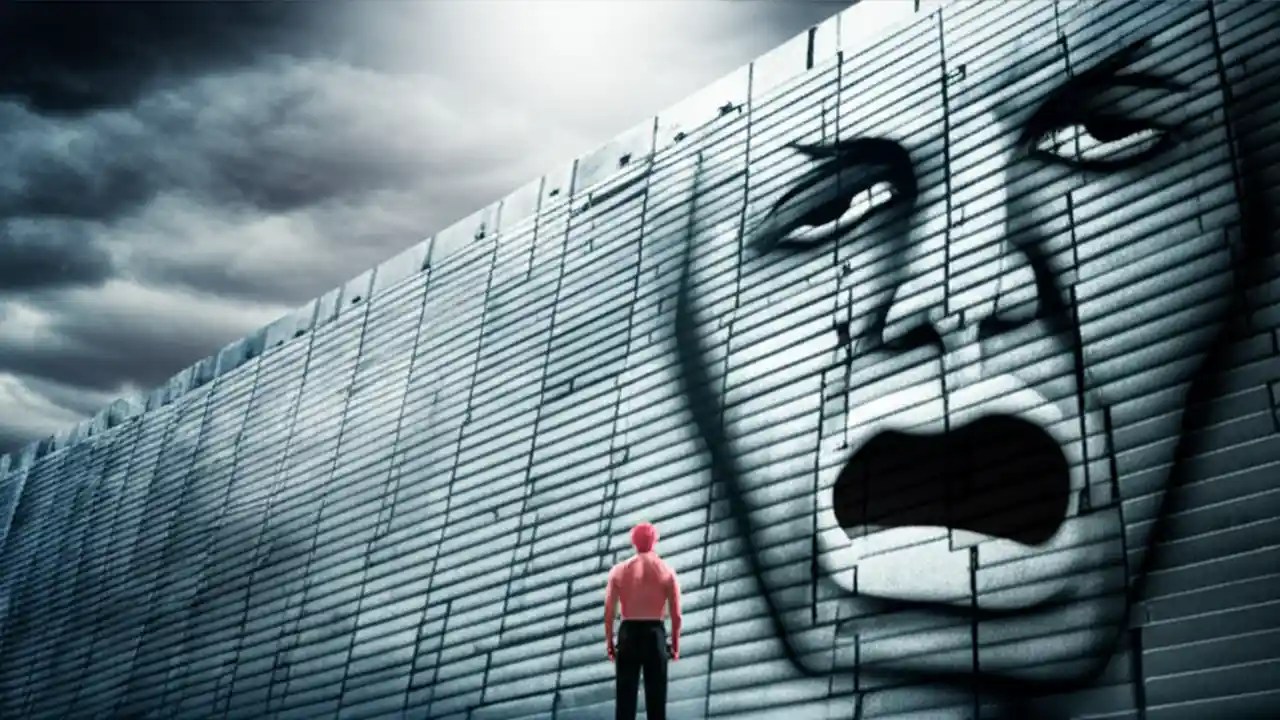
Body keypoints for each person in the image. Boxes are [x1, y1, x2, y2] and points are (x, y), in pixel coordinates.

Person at [604, 521, 682, 720]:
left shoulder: (619, 571)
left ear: (634, 542)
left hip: (628, 632)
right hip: (654, 633)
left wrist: (610, 642)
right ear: (654, 541)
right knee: (656, 704)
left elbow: (609, 611)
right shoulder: (666, 571)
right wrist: (675, 644)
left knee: (625, 703)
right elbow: (676, 614)